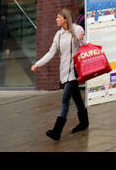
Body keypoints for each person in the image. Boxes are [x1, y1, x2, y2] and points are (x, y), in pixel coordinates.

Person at [30, 9, 88, 141]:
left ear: (65, 19)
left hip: (75, 71)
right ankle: (84, 123)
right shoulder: (58, 35)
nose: (56, 19)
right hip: (64, 72)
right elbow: (51, 53)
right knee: (77, 98)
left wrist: (81, 41)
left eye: (58, 17)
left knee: (65, 99)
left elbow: (85, 46)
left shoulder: (77, 29)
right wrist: (38, 64)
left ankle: (57, 131)